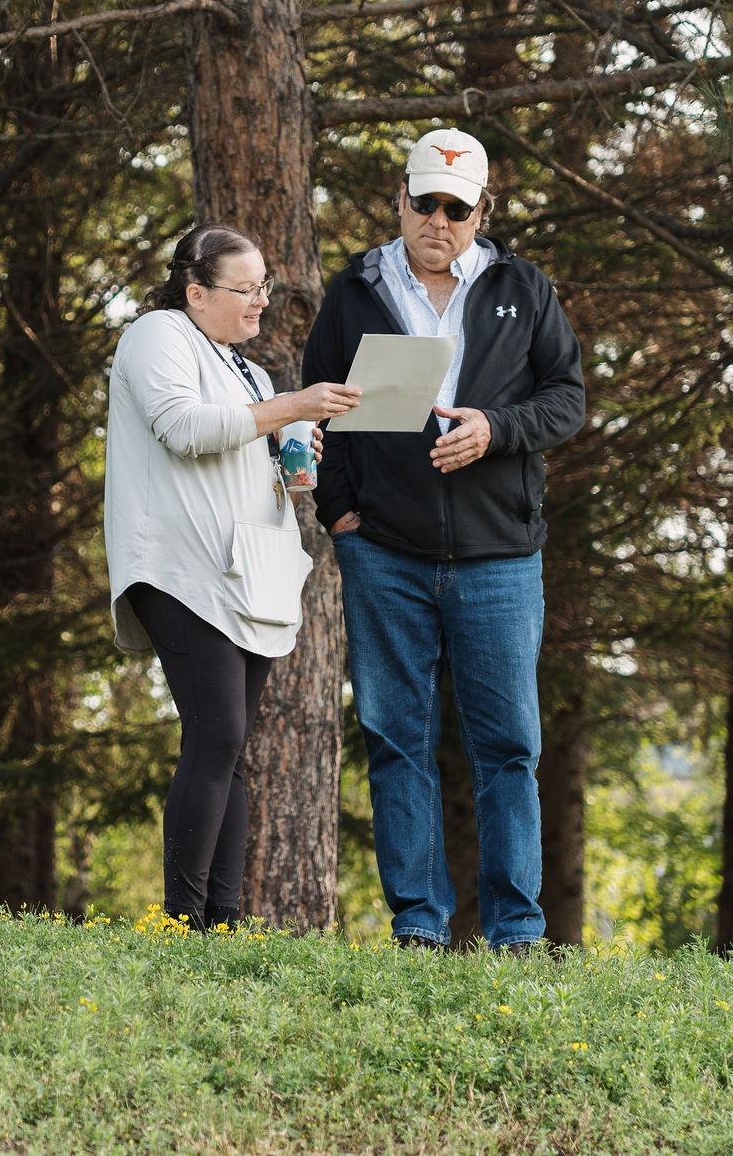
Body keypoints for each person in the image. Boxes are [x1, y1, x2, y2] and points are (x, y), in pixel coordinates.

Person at [301, 129, 586, 952]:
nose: (437, 219)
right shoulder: (354, 291)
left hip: (501, 558)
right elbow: (320, 406)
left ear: (481, 212)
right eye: (423, 201)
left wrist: (497, 428)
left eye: (456, 208)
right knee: (396, 742)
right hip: (383, 553)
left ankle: (516, 933)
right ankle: (419, 927)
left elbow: (567, 399)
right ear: (400, 200)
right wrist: (340, 513)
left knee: (509, 748)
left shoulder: (524, 290)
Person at [103, 225, 361, 930]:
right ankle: (183, 918)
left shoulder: (251, 372)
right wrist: (292, 407)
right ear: (196, 292)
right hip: (181, 570)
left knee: (230, 745)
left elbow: (256, 456)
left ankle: (222, 918)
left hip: (247, 576)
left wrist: (295, 450)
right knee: (216, 734)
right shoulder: (156, 335)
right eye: (246, 290)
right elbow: (185, 428)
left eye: (264, 288)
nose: (261, 303)